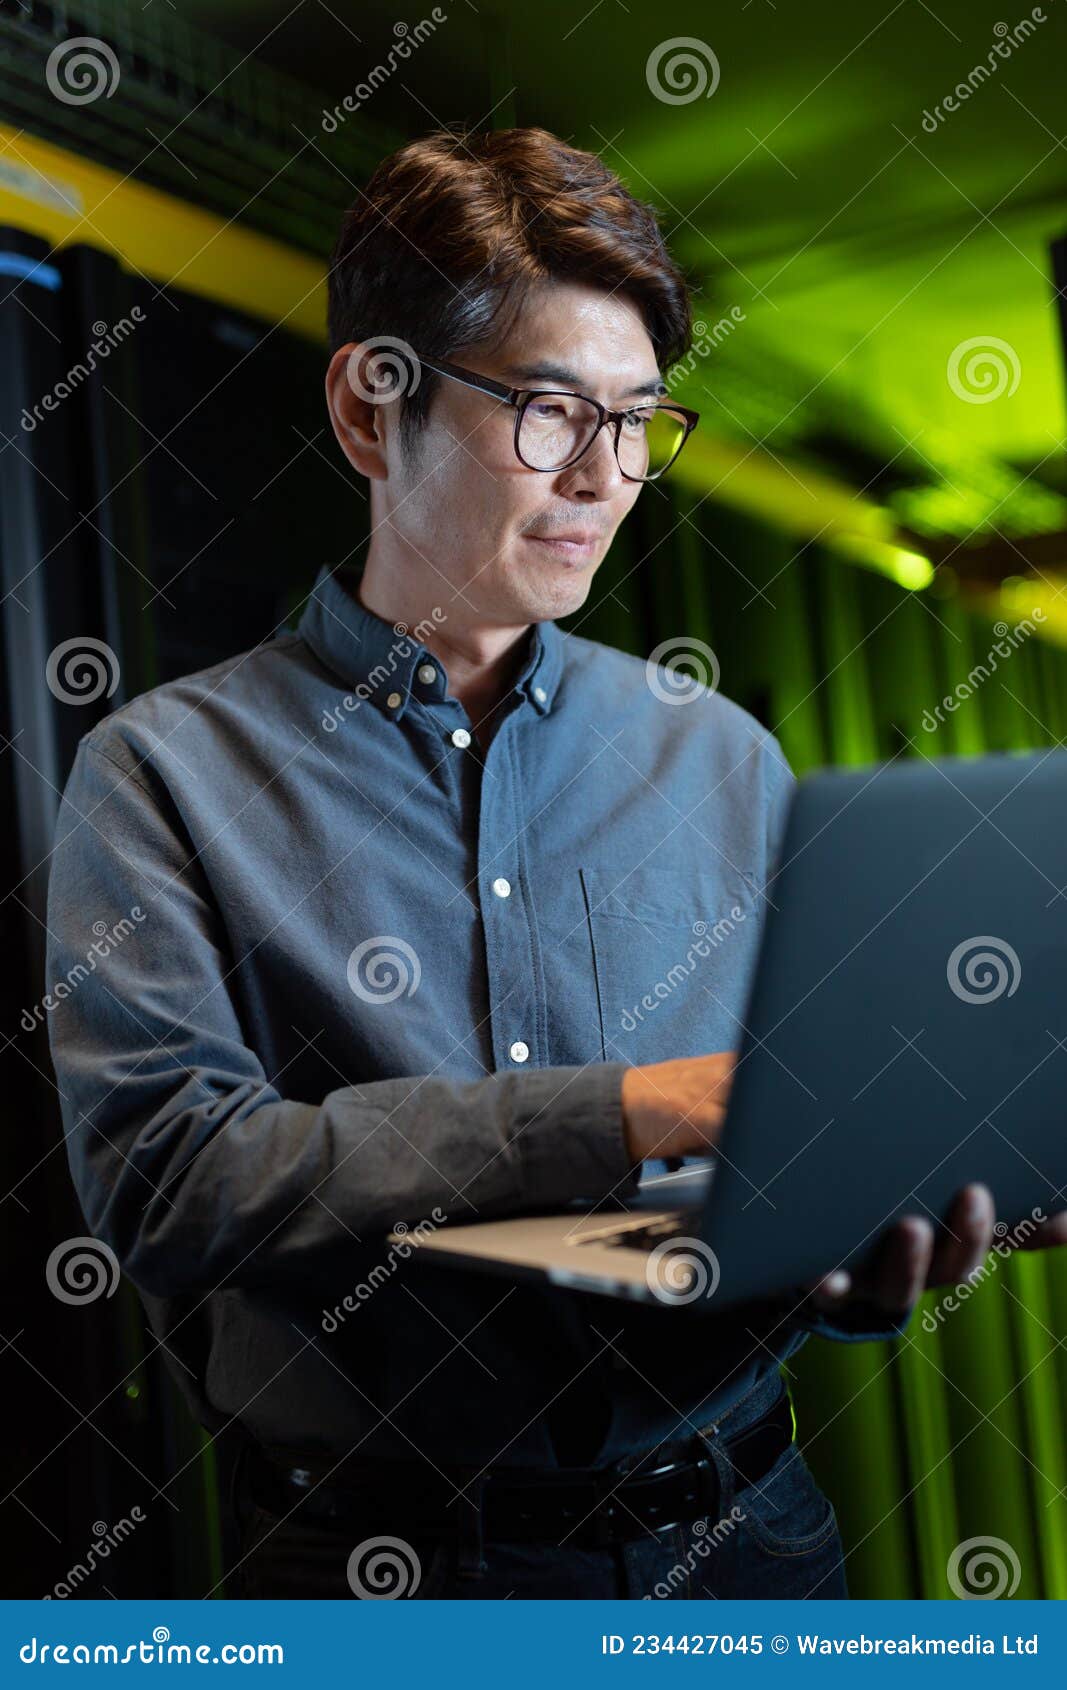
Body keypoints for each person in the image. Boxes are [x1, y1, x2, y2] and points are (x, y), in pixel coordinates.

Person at [44, 125, 1067, 1602]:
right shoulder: (164, 774)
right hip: (386, 1578)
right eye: (549, 411)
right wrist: (624, 1111)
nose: (605, 474)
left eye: (639, 421)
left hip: (749, 1542)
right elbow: (171, 1179)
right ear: (370, 406)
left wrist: (880, 1238)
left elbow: (777, 1164)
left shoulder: (721, 757)